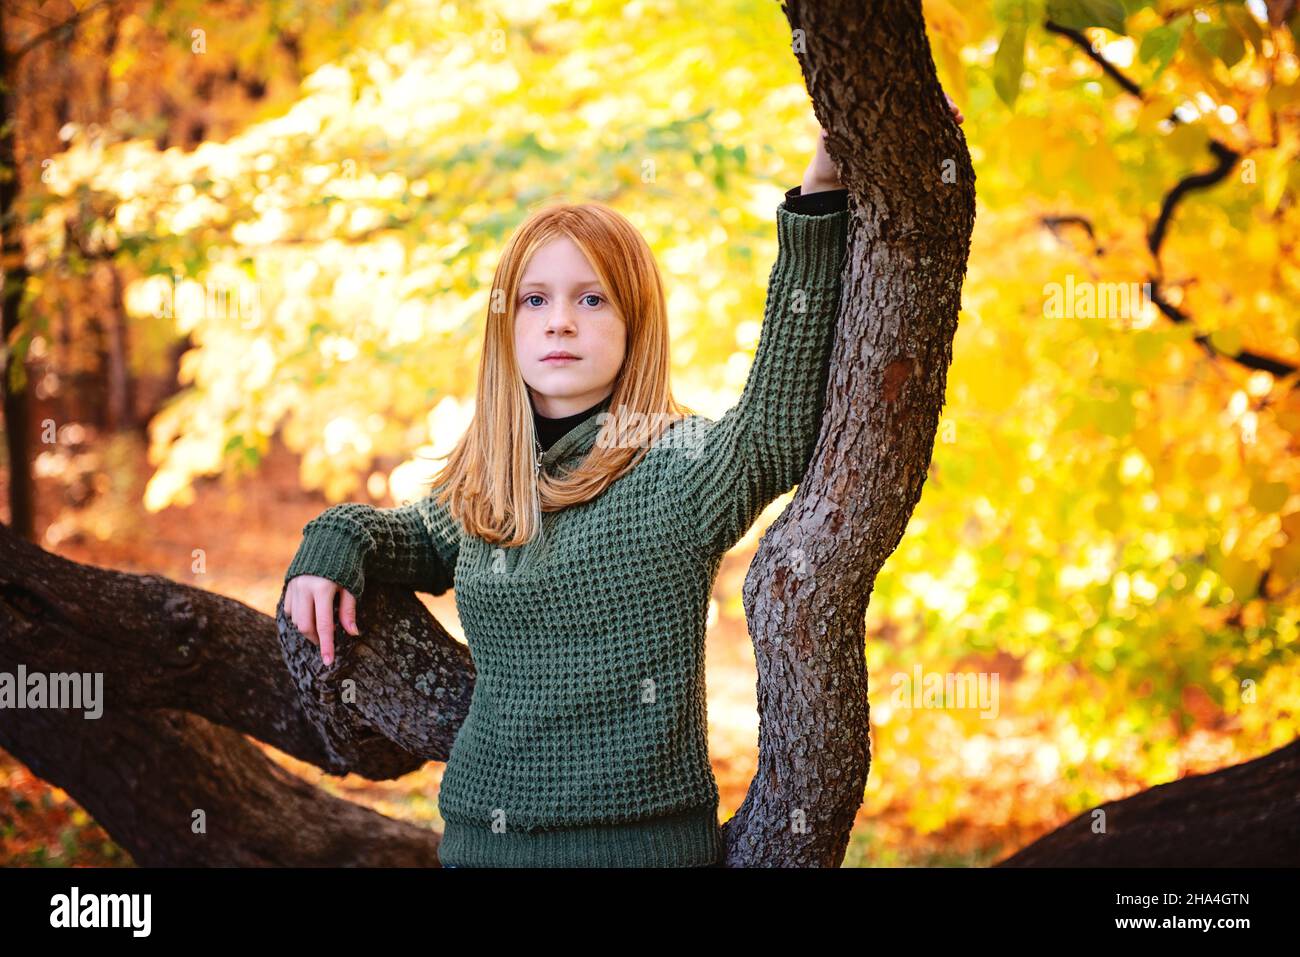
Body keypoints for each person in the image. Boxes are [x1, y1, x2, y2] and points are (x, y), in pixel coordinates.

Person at [284, 102, 965, 868]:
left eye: (592, 298)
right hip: (483, 846)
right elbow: (404, 533)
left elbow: (772, 431)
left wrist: (816, 201)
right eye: (535, 299)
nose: (560, 322)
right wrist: (329, 541)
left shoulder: (674, 463)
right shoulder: (491, 485)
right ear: (506, 327)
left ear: (634, 321)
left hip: (643, 850)